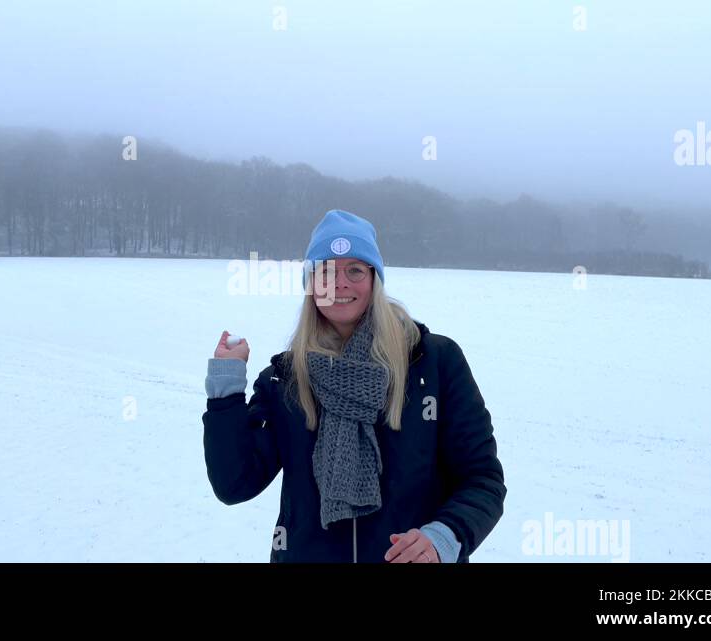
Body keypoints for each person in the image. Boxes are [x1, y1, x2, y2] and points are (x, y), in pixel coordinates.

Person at [202, 209, 506, 562]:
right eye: (326, 270)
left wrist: (443, 537)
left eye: (355, 270)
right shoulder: (286, 378)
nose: (340, 283)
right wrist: (226, 387)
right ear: (311, 284)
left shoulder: (434, 362)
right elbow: (234, 484)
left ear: (375, 280)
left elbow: (482, 479)